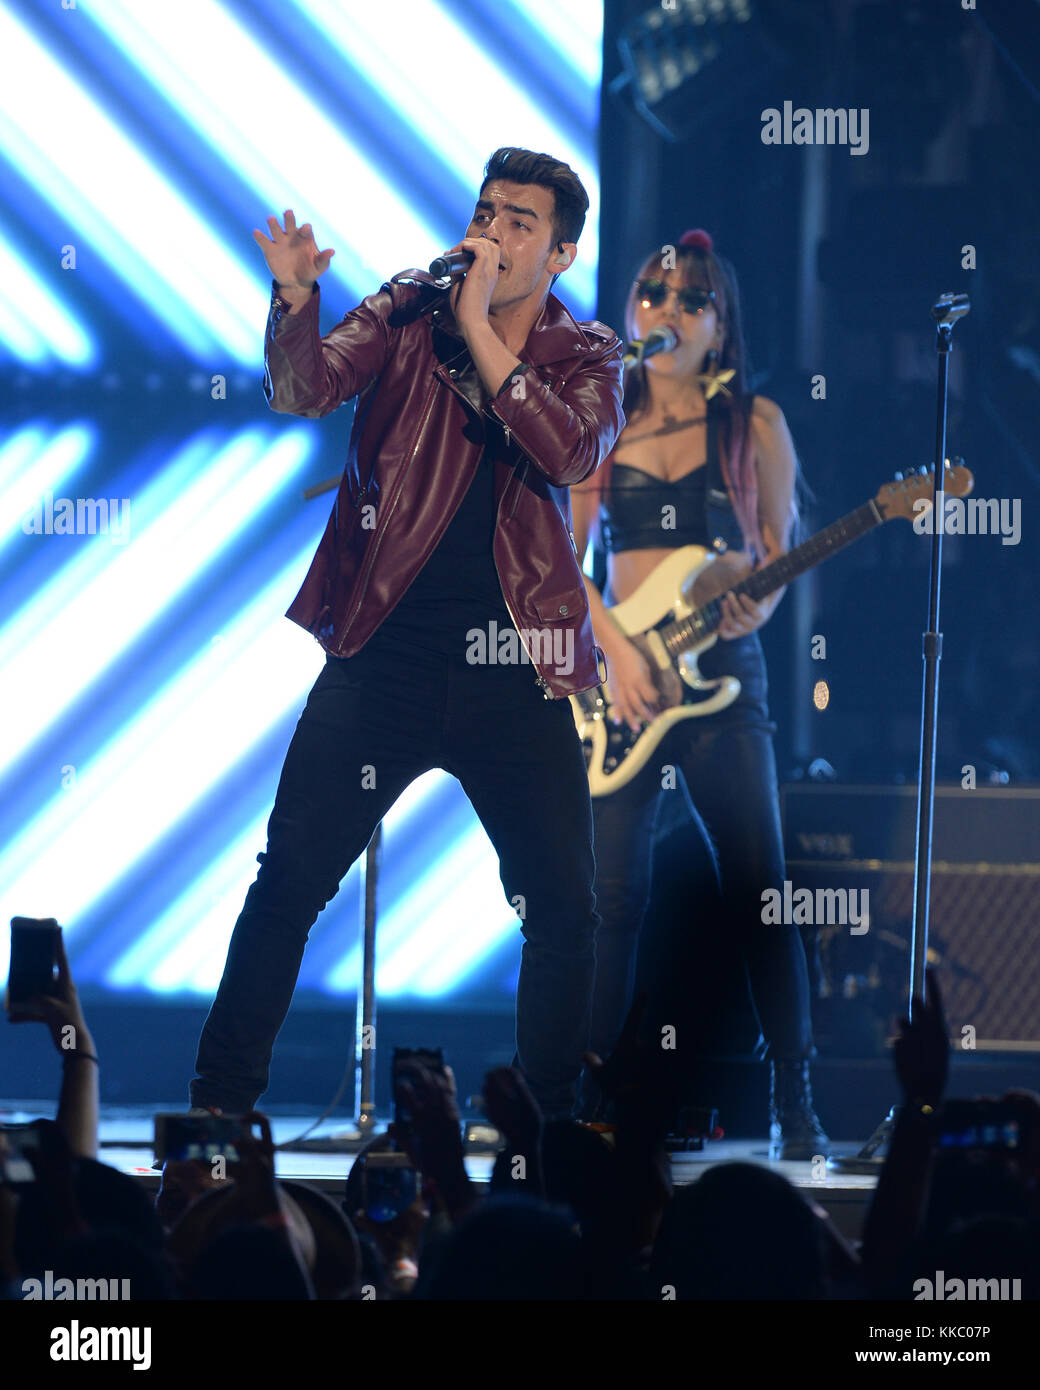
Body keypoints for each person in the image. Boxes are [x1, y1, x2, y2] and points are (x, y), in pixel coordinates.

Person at [189, 148, 625, 1121]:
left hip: (515, 670)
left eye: (519, 222)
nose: (492, 232)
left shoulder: (590, 353)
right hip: (384, 655)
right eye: (486, 210)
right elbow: (303, 390)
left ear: (557, 254)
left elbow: (567, 447)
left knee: (562, 911)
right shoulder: (404, 307)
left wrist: (477, 331)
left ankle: (542, 1131)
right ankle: (216, 1116)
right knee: (289, 879)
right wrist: (294, 299)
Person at [570, 229, 828, 1157]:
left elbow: (774, 555)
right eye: (653, 294)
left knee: (760, 885)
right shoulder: (602, 418)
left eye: (690, 299)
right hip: (626, 681)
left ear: (722, 326)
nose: (666, 311)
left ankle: (796, 1105)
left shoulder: (754, 424)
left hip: (723, 680)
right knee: (610, 895)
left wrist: (761, 600)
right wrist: (613, 654)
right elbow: (565, 561)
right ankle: (592, 1097)